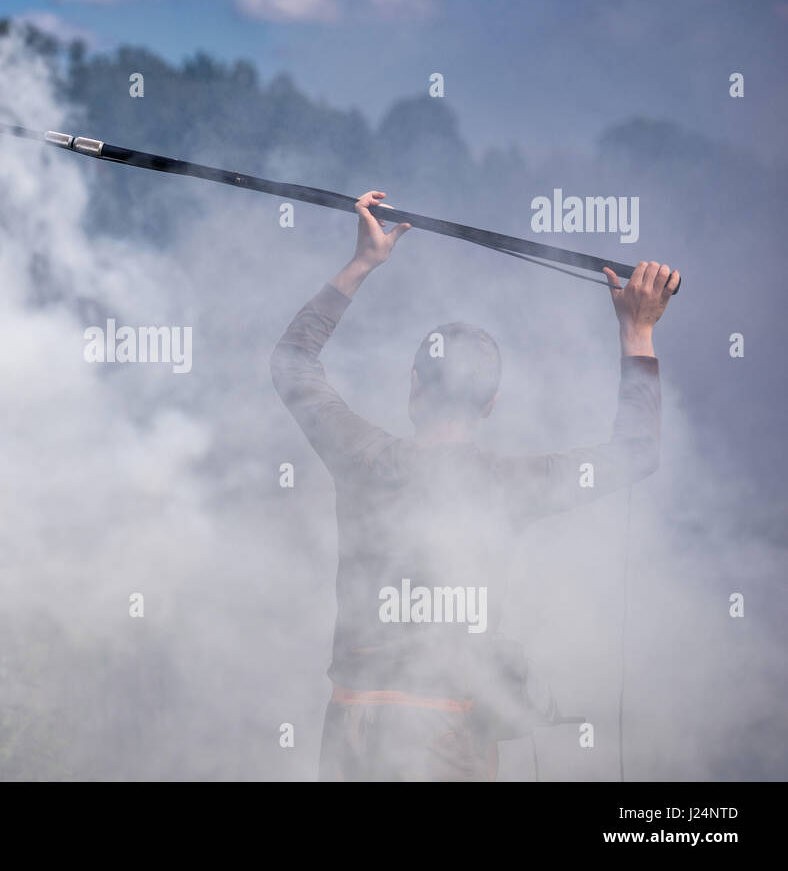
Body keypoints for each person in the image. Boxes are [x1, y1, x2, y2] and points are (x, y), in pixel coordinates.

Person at [270, 190, 678, 780]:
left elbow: (293, 362)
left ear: (413, 383)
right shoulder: (511, 485)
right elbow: (636, 453)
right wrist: (637, 331)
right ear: (490, 405)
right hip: (447, 737)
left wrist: (362, 263)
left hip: (354, 728)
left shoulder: (361, 457)